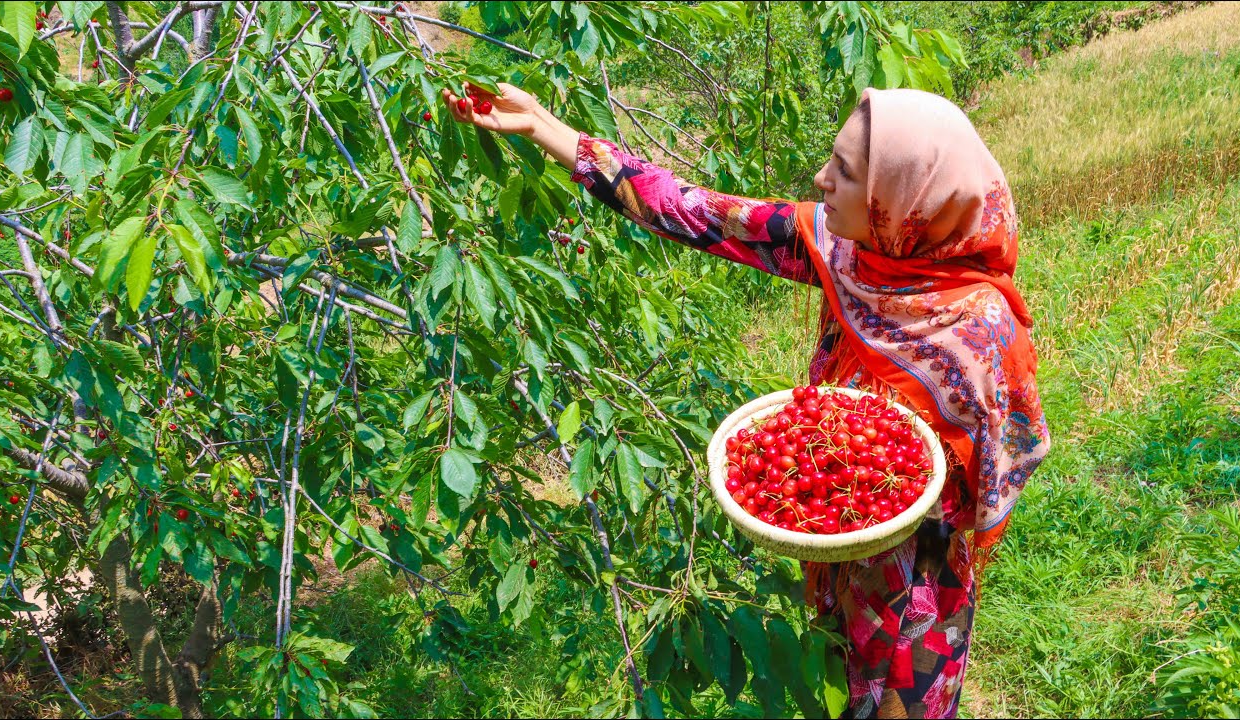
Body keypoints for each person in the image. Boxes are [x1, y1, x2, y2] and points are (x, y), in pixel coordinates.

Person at [444, 82, 1051, 719]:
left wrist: (925, 479)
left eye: (843, 173)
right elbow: (696, 211)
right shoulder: (846, 251)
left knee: (905, 701)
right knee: (837, 686)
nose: (819, 180)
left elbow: (1009, 454)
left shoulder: (982, 330)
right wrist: (548, 128)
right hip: (833, 533)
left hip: (920, 574)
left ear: (896, 204)